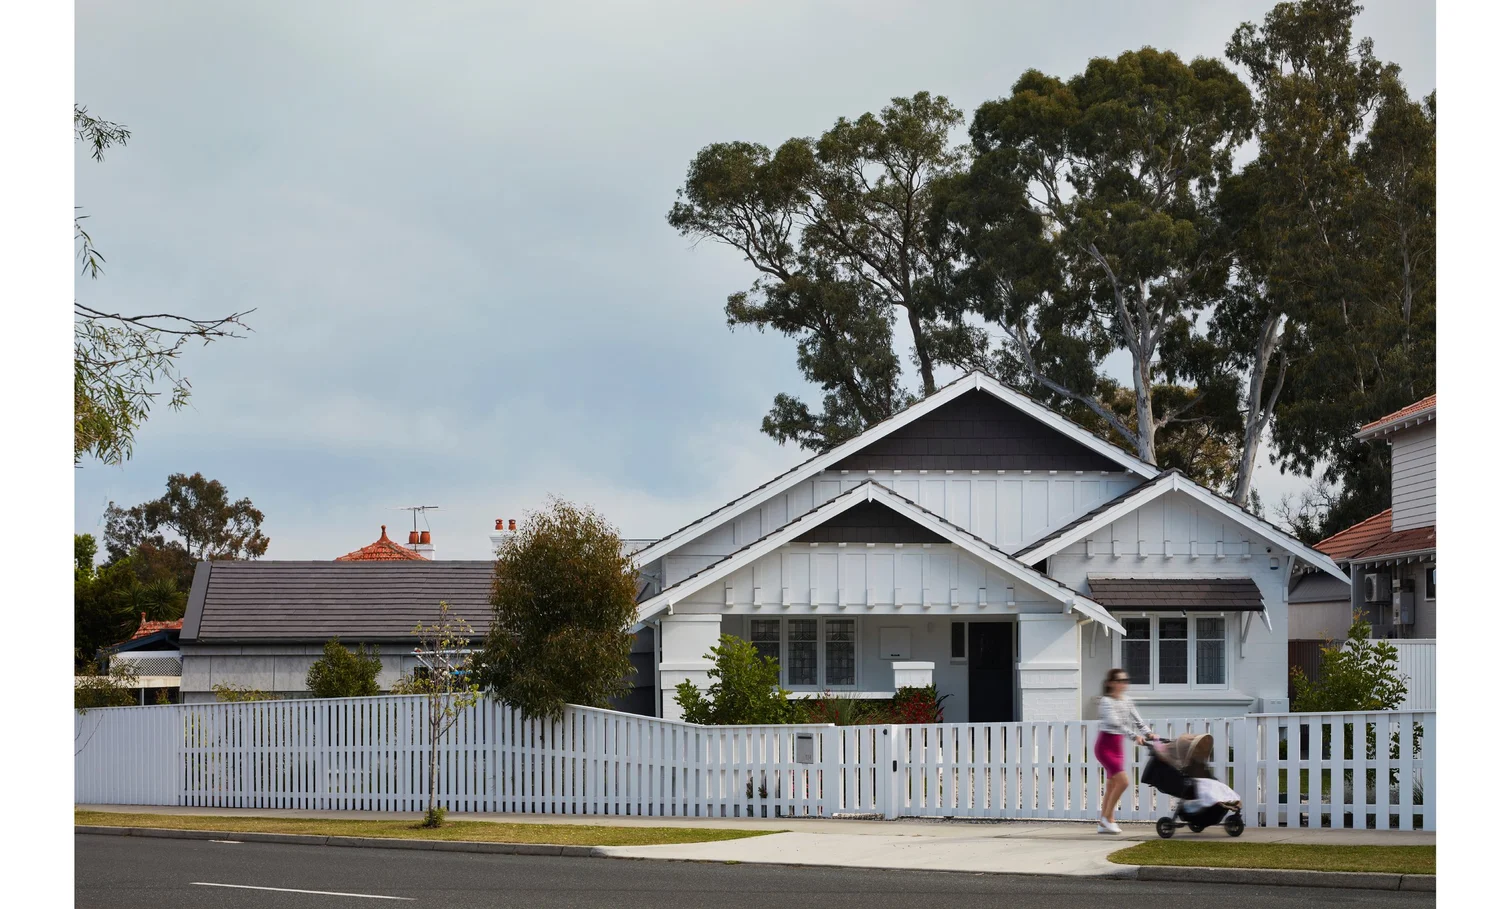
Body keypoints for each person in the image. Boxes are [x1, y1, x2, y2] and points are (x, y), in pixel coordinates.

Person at [1095, 668, 1152, 834]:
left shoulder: (1127, 701)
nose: (1122, 684)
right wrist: (1135, 737)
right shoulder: (1106, 701)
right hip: (1105, 746)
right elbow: (1116, 723)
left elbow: (1138, 720)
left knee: (1113, 784)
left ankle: (1102, 823)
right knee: (1123, 781)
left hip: (1118, 746)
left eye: (1125, 680)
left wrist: (1148, 733)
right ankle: (1108, 818)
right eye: (1119, 681)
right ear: (1110, 683)